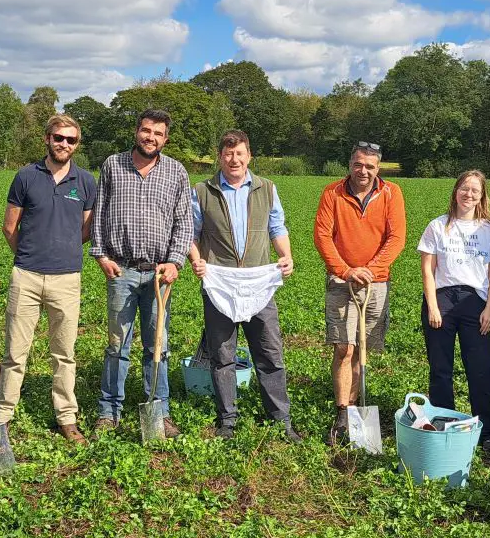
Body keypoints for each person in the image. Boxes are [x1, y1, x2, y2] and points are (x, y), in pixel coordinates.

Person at [187, 130, 301, 442]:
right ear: (220, 157)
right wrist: (196, 259)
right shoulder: (202, 190)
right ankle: (227, 421)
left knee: (270, 354)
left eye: (239, 154)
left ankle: (281, 420)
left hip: (258, 283)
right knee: (222, 355)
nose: (234, 159)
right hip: (220, 284)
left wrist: (286, 255)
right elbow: (192, 233)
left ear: (249, 155)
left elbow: (277, 226)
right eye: (228, 154)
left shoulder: (267, 188)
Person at [90, 109, 193, 437]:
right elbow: (99, 212)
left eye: (158, 133)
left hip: (159, 274)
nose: (151, 137)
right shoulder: (112, 165)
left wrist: (176, 262)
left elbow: (184, 221)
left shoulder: (176, 171)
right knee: (116, 344)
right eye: (146, 131)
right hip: (121, 270)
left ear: (166, 139)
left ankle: (159, 410)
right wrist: (100, 254)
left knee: (157, 344)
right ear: (137, 131)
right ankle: (109, 411)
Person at [0, 115, 97, 444]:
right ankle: (4, 414)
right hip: (25, 275)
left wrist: (62, 249)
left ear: (77, 144)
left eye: (70, 140)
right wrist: (28, 254)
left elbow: (86, 229)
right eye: (58, 137)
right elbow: (10, 227)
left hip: (67, 278)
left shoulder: (84, 181)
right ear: (47, 138)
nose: (63, 144)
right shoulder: (26, 176)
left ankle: (66, 417)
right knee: (15, 351)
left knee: (64, 352)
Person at [314, 141, 406, 446]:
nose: (363, 171)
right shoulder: (333, 193)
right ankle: (343, 411)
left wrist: (370, 269)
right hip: (342, 281)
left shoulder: (391, 193)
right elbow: (323, 236)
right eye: (358, 164)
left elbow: (396, 238)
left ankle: (358, 409)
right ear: (350, 165)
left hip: (376, 282)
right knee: (344, 347)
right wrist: (346, 270)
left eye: (369, 166)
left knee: (364, 347)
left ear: (378, 168)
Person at [418, 171, 490, 453]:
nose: (469, 195)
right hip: (442, 299)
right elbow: (428, 270)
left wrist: (489, 310)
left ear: (482, 196)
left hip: (476, 303)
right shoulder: (437, 226)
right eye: (464, 189)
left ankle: (487, 432)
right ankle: (446, 423)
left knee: (480, 370)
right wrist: (432, 306)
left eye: (475, 191)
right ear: (456, 191)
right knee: (441, 369)